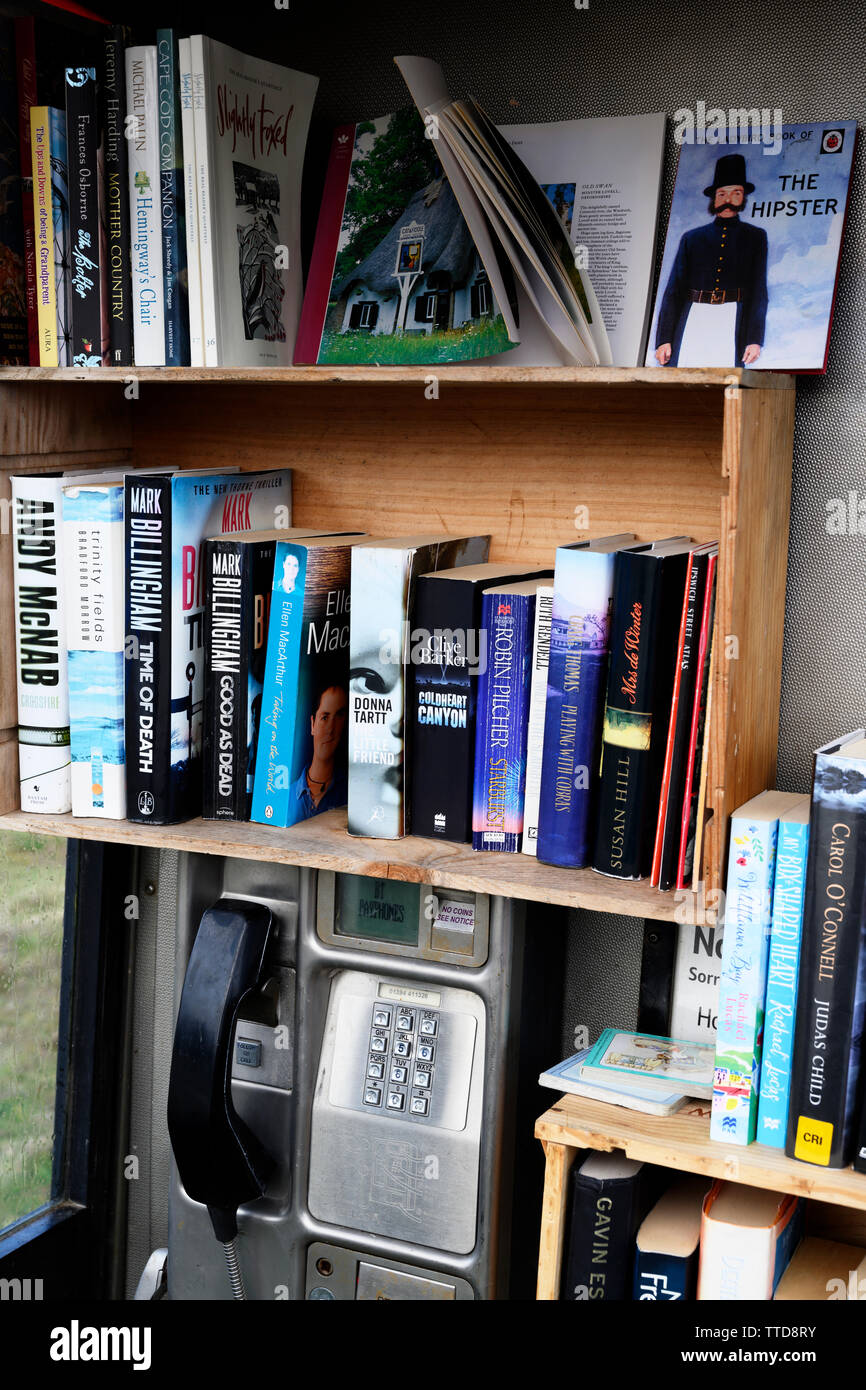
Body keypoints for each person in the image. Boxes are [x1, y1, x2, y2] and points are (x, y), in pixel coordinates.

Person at [654, 153, 768, 368]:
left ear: (743, 197)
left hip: (732, 318)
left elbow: (758, 291)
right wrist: (663, 339)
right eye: (722, 193)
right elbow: (673, 290)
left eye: (736, 193)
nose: (728, 200)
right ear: (714, 197)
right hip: (694, 318)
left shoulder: (755, 237)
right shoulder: (692, 238)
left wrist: (754, 339)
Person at [289, 681, 348, 819]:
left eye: (339, 716)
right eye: (325, 717)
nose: (330, 729)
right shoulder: (287, 795)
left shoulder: (349, 794)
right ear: (312, 724)